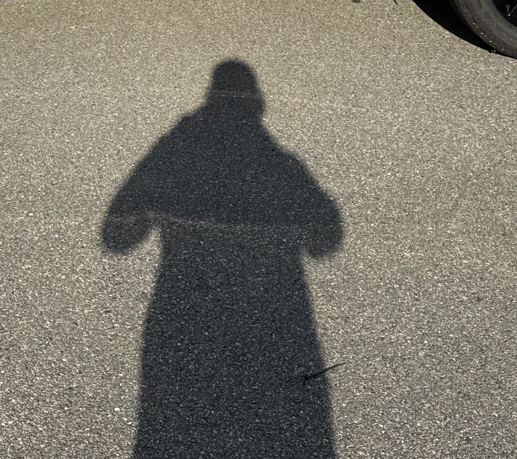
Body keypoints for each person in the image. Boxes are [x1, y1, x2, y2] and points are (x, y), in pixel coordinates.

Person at [101, 60, 344, 458]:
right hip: (275, 321)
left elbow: (117, 237)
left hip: (181, 317)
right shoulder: (281, 165)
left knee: (176, 427)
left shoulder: (173, 153)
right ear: (257, 105)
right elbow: (326, 239)